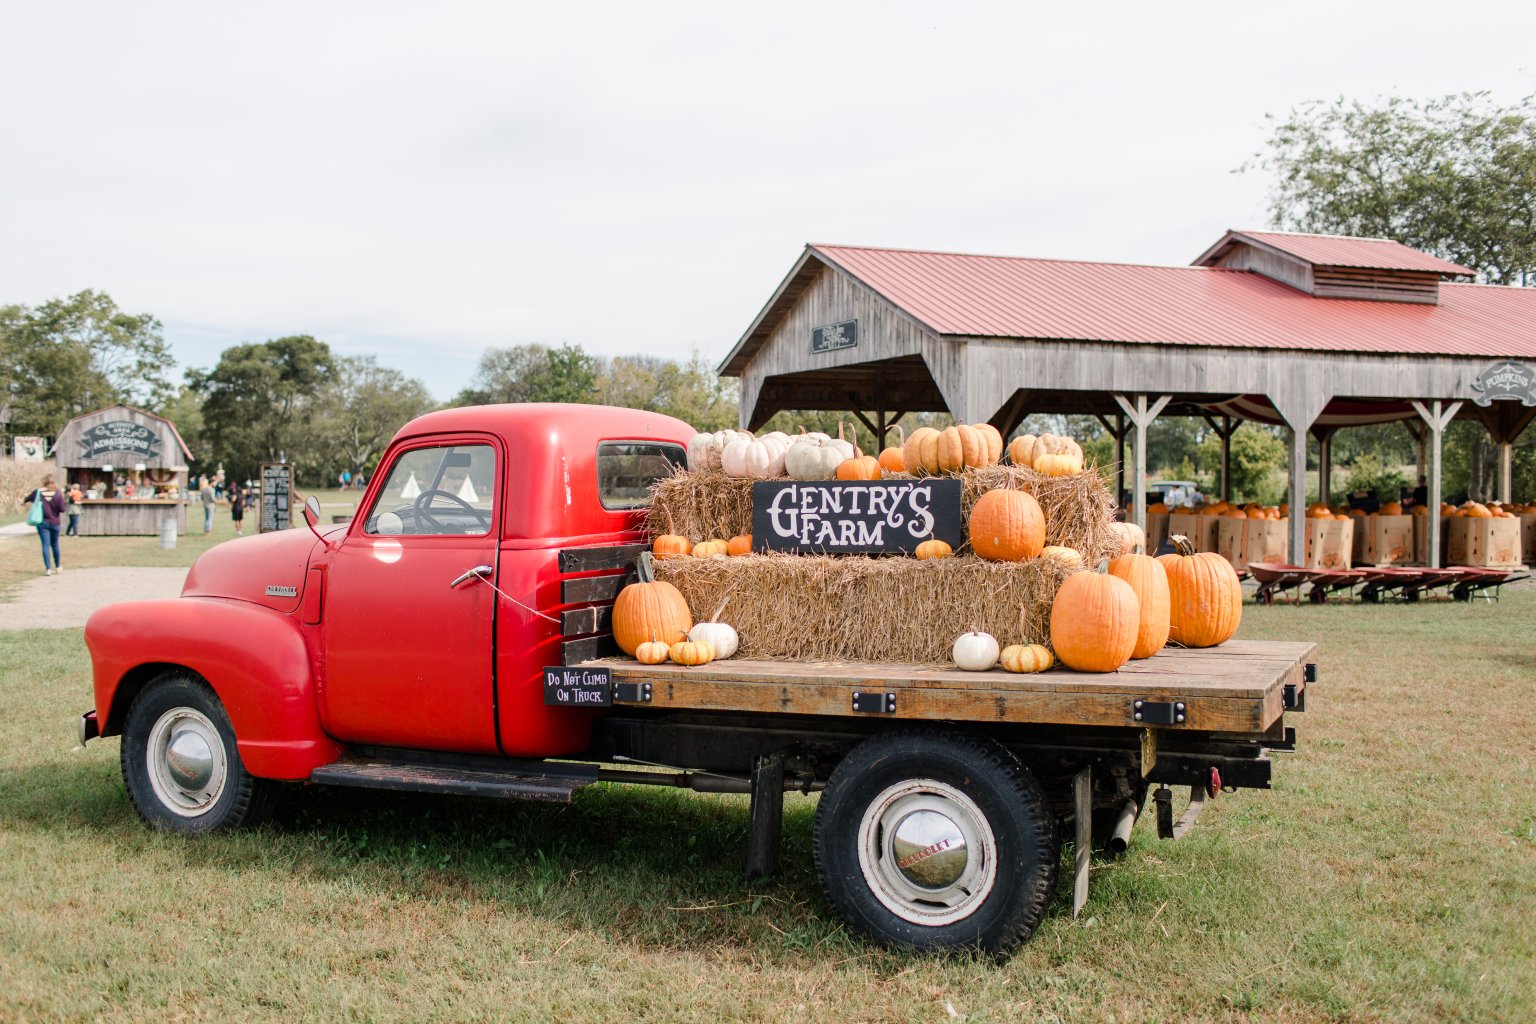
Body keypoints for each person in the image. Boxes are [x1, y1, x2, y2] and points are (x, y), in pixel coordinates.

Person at [25, 475, 68, 576]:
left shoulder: (38, 492)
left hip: (42, 523)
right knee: (55, 545)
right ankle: (57, 567)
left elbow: (28, 498)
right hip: (55, 523)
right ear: (54, 483)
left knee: (45, 545)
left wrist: (24, 502)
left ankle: (48, 569)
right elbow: (62, 509)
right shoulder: (58, 494)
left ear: (44, 482)